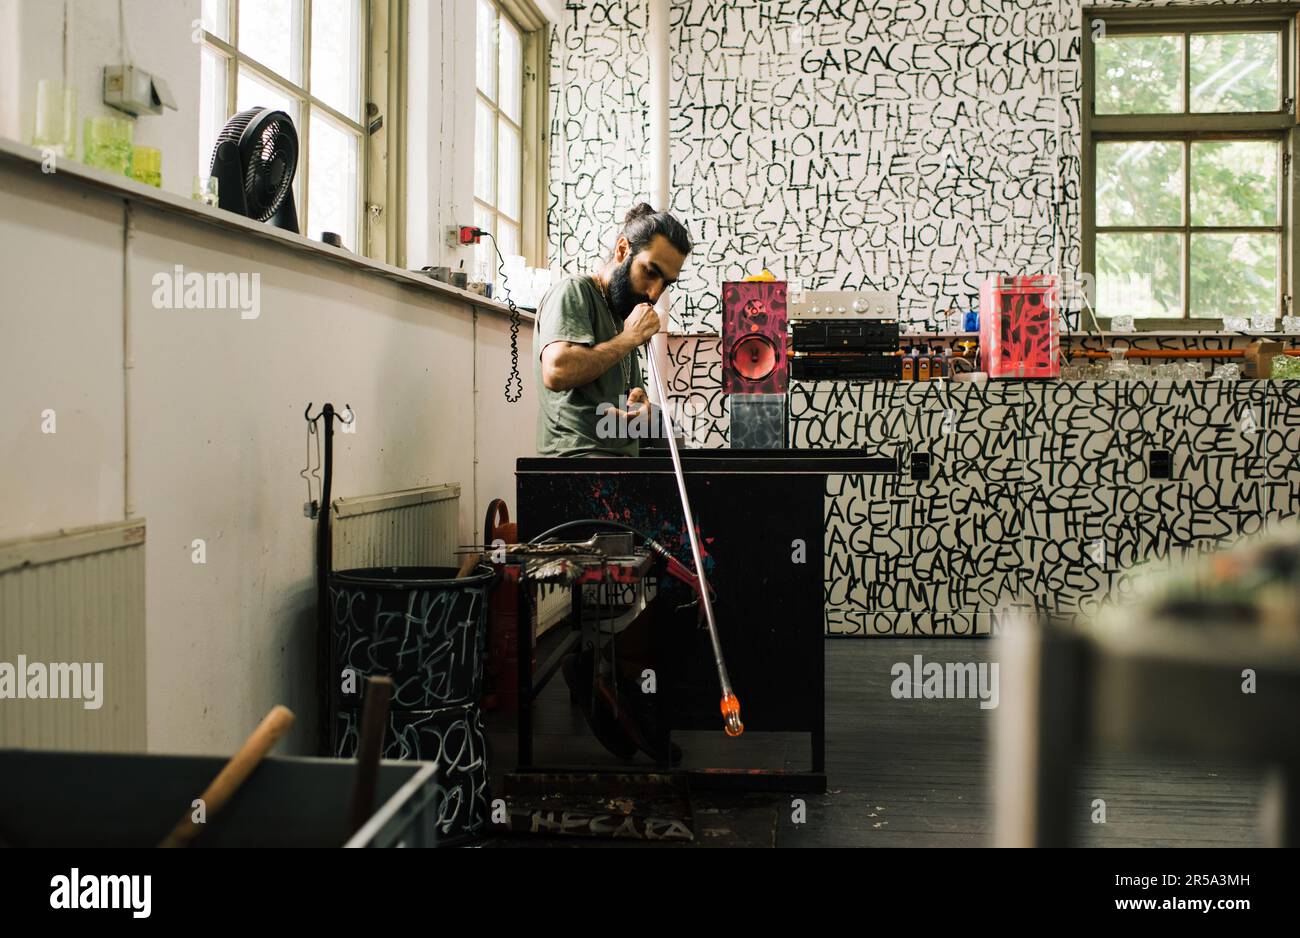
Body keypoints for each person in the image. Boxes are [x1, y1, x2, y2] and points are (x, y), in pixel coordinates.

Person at [532, 203, 694, 763]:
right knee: (668, 571)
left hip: (612, 472)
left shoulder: (626, 313)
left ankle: (627, 692)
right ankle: (617, 690)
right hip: (575, 478)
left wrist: (637, 404)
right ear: (623, 250)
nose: (655, 291)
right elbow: (556, 371)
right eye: (652, 272)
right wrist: (627, 343)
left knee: (680, 565)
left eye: (666, 282)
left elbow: (613, 392)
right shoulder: (577, 293)